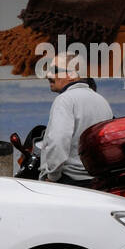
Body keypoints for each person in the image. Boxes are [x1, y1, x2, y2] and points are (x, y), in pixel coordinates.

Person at [37, 52, 114, 185]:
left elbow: (58, 140)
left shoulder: (65, 100)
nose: (48, 75)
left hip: (70, 181)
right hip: (97, 180)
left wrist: (52, 176)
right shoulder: (101, 100)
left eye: (55, 70)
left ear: (72, 74)